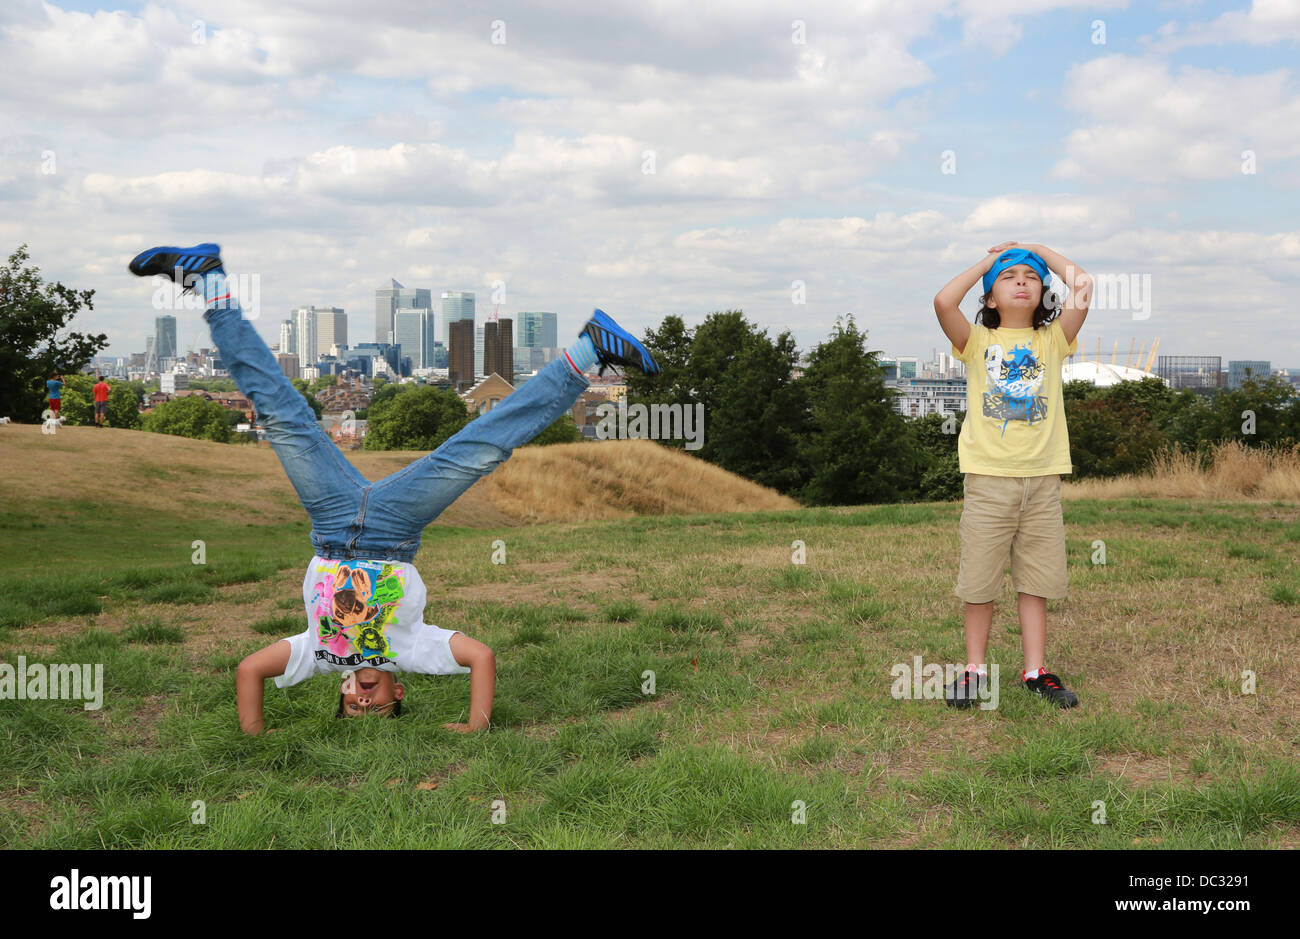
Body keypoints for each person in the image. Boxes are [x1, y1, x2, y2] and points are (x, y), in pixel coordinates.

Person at [128, 242, 660, 735]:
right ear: (398, 691)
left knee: (281, 414)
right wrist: (475, 725)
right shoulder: (412, 652)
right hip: (393, 530)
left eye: (351, 707)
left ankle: (208, 281)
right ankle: (590, 351)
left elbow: (249, 671)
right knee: (479, 448)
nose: (362, 702)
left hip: (331, 523)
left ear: (339, 689)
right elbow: (481, 657)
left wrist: (255, 738)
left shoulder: (314, 653)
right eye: (377, 708)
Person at [933, 242, 1093, 709]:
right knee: (980, 582)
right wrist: (987, 262)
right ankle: (975, 670)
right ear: (988, 297)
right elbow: (944, 302)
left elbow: (1082, 284)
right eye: (1008, 276)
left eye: (1031, 275)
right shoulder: (977, 343)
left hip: (1042, 482)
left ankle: (1035, 671)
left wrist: (1037, 248)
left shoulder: (1054, 341)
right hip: (988, 481)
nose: (1021, 280)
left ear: (1043, 291)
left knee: (1036, 581)